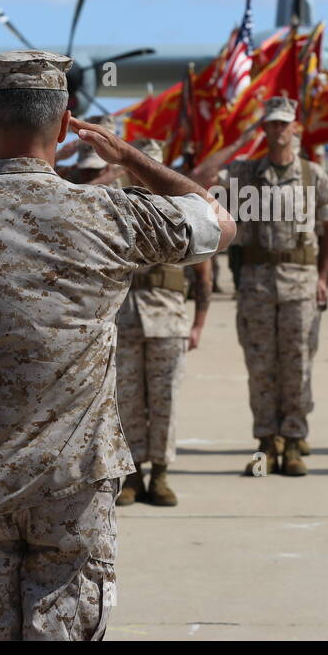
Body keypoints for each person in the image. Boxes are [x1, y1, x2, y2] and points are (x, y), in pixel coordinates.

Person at [0, 50, 234, 641]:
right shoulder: (111, 215)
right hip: (76, 485)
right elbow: (216, 220)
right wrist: (129, 156)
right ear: (63, 126)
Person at [193, 97, 328, 476]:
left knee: (297, 365)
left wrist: (324, 277)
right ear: (266, 129)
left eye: (284, 124)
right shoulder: (245, 174)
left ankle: (293, 441)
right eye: (271, 124)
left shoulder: (314, 175)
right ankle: (265, 442)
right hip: (257, 287)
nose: (278, 131)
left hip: (301, 286)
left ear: (295, 128)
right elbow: (201, 178)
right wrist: (240, 140)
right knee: (260, 367)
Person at [113, 139, 212, 508]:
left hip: (169, 320)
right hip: (124, 319)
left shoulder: (182, 205)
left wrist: (200, 322)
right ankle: (133, 473)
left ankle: (162, 473)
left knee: (165, 399)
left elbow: (204, 269)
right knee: (126, 400)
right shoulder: (115, 202)